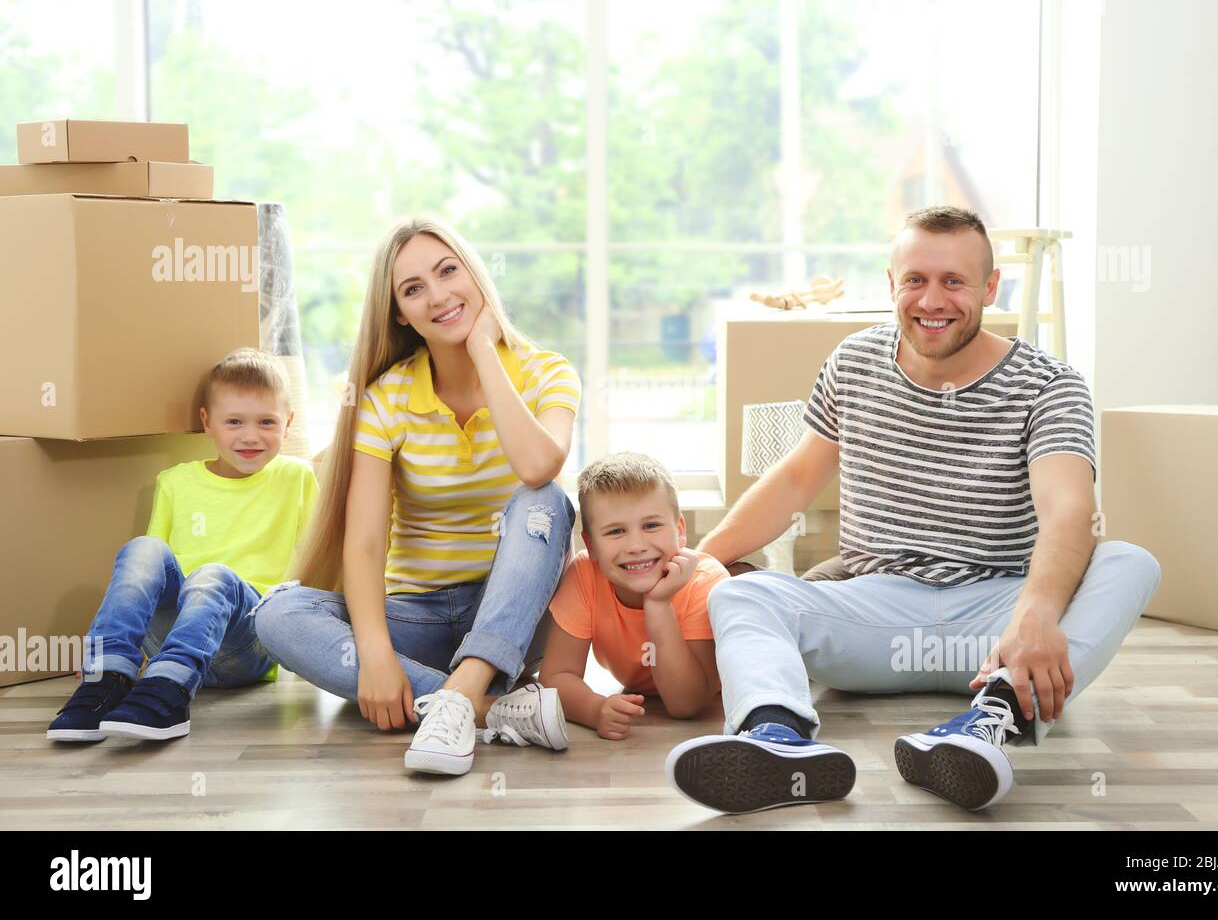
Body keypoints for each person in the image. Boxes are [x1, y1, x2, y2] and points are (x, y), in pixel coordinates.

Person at [666, 205, 1161, 814]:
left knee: (1129, 563)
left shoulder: (1050, 384)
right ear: (891, 284)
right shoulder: (852, 363)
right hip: (875, 612)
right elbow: (796, 479)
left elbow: (1068, 509)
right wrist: (699, 559)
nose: (933, 300)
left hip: (997, 623)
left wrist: (1034, 615)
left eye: (954, 281)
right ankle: (775, 737)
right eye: (916, 280)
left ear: (989, 287)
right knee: (740, 593)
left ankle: (987, 725)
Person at [254, 216, 580, 776]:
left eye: (448, 271)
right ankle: (487, 708)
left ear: (475, 275)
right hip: (416, 620)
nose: (438, 296)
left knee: (544, 500)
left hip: (512, 621)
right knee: (278, 612)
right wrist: (376, 656)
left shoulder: (546, 370)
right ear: (400, 315)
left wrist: (483, 349)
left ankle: (462, 694)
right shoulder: (385, 399)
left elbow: (536, 465)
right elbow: (363, 544)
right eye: (413, 289)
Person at [47, 348, 319, 742]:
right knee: (142, 548)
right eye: (234, 422)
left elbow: (317, 561)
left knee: (213, 576)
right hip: (170, 638)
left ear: (288, 423)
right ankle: (106, 677)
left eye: (266, 422)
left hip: (245, 642)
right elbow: (147, 577)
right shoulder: (175, 481)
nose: (250, 435)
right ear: (207, 423)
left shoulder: (296, 477)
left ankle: (171, 695)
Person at [539, 452, 727, 739]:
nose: (637, 545)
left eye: (651, 526)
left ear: (680, 530)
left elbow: (685, 704)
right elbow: (556, 677)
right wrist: (594, 709)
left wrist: (659, 603)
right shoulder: (586, 574)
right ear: (590, 545)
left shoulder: (705, 583)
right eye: (616, 531)